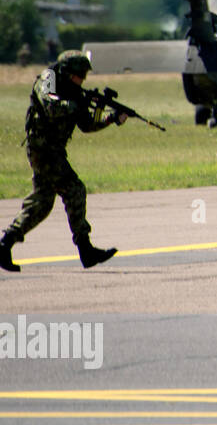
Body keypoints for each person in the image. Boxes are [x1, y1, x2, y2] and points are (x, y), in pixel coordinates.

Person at [1, 50, 127, 273]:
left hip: (53, 150)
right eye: (81, 75)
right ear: (69, 73)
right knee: (74, 189)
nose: (83, 80)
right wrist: (77, 103)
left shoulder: (75, 92)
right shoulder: (48, 79)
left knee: (42, 203)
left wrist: (111, 119)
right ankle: (85, 249)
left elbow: (87, 125)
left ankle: (4, 245)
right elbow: (50, 106)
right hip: (43, 148)